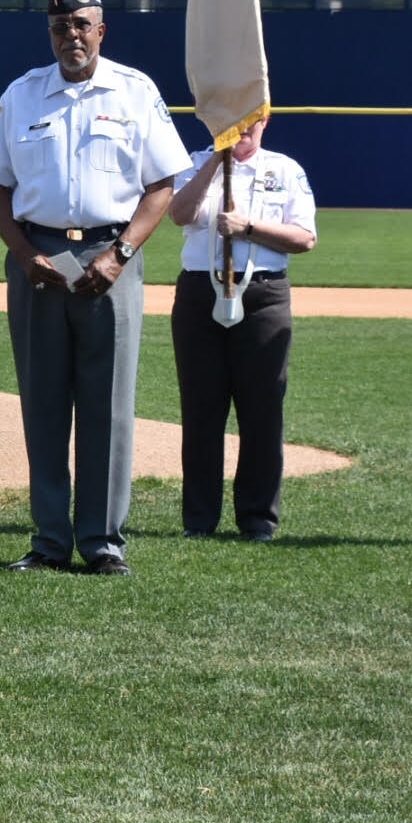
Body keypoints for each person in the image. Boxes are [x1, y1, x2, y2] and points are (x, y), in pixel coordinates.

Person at [0, 0, 190, 576]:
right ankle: (48, 541)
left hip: (110, 257)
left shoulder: (135, 91)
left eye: (82, 25)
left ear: (101, 30)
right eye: (61, 26)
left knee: (109, 407)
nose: (72, 35)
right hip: (39, 259)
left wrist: (119, 254)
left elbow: (162, 185)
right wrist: (22, 253)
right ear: (50, 31)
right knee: (43, 405)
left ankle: (102, 542)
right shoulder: (22, 94)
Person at [168, 117, 317, 542]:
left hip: (263, 296)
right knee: (201, 410)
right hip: (200, 291)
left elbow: (304, 238)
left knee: (262, 410)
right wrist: (216, 161)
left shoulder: (285, 170)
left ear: (264, 120)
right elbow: (179, 214)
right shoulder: (195, 163)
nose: (242, 129)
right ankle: (199, 519)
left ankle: (257, 519)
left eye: (250, 120)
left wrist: (248, 228)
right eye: (231, 122)